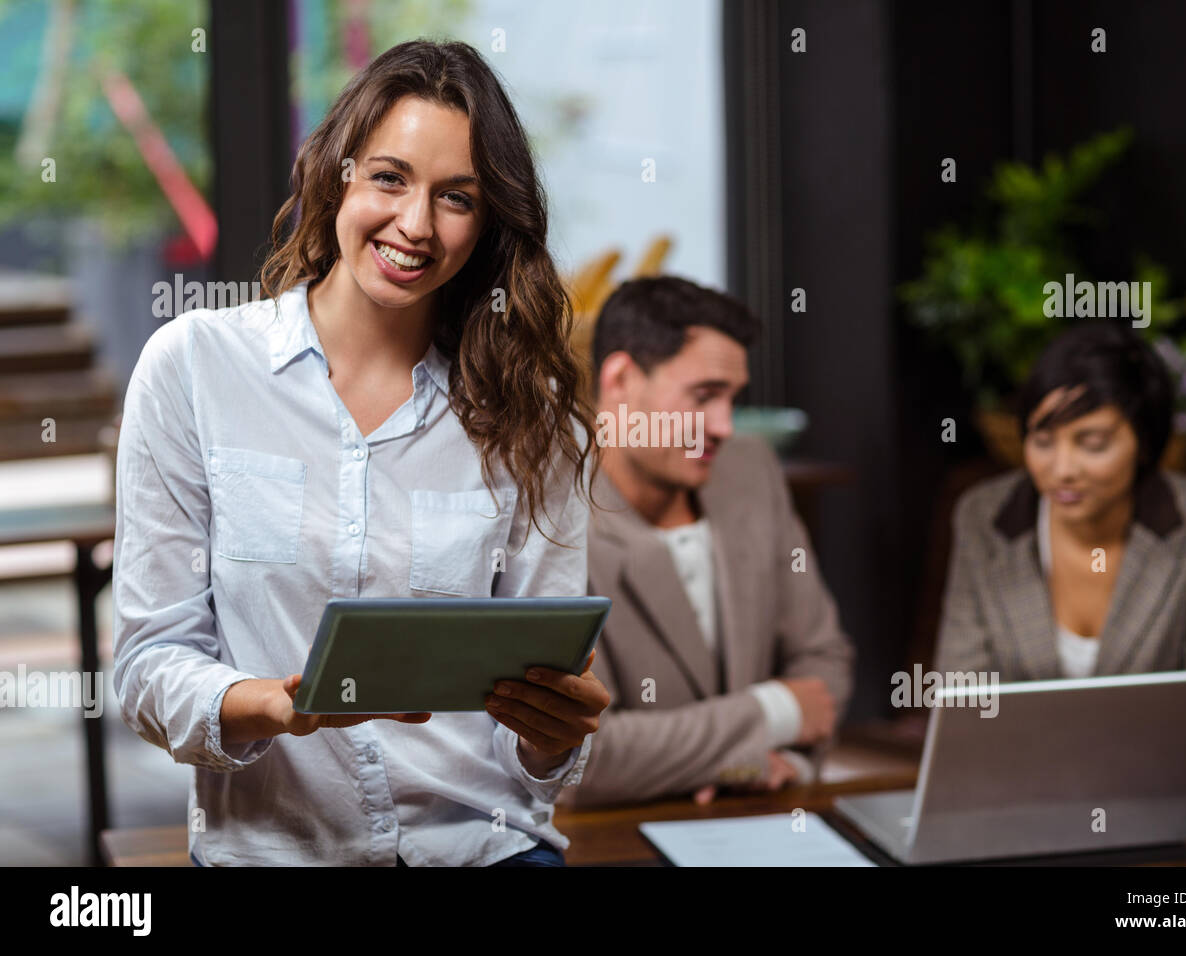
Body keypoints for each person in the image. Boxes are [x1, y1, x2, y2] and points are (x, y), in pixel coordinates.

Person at [112, 40, 610, 866]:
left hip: (482, 851)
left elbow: (540, 754)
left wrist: (554, 740)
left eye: (457, 198)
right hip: (276, 853)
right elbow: (145, 666)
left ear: (487, 223)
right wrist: (273, 704)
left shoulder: (531, 414)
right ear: (335, 174)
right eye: (389, 177)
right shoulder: (194, 367)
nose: (415, 225)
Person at [560, 276, 855, 808]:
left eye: (732, 399)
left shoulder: (750, 470)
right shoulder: (549, 512)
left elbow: (823, 659)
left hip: (764, 814)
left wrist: (783, 764)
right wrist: (773, 713)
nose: (722, 426)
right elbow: (577, 754)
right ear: (622, 379)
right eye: (704, 396)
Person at [934, 321, 1186, 768]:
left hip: (1163, 805)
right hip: (1017, 799)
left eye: (1092, 443)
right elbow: (962, 709)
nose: (1062, 469)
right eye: (1043, 441)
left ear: (1144, 445)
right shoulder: (986, 517)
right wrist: (1178, 733)